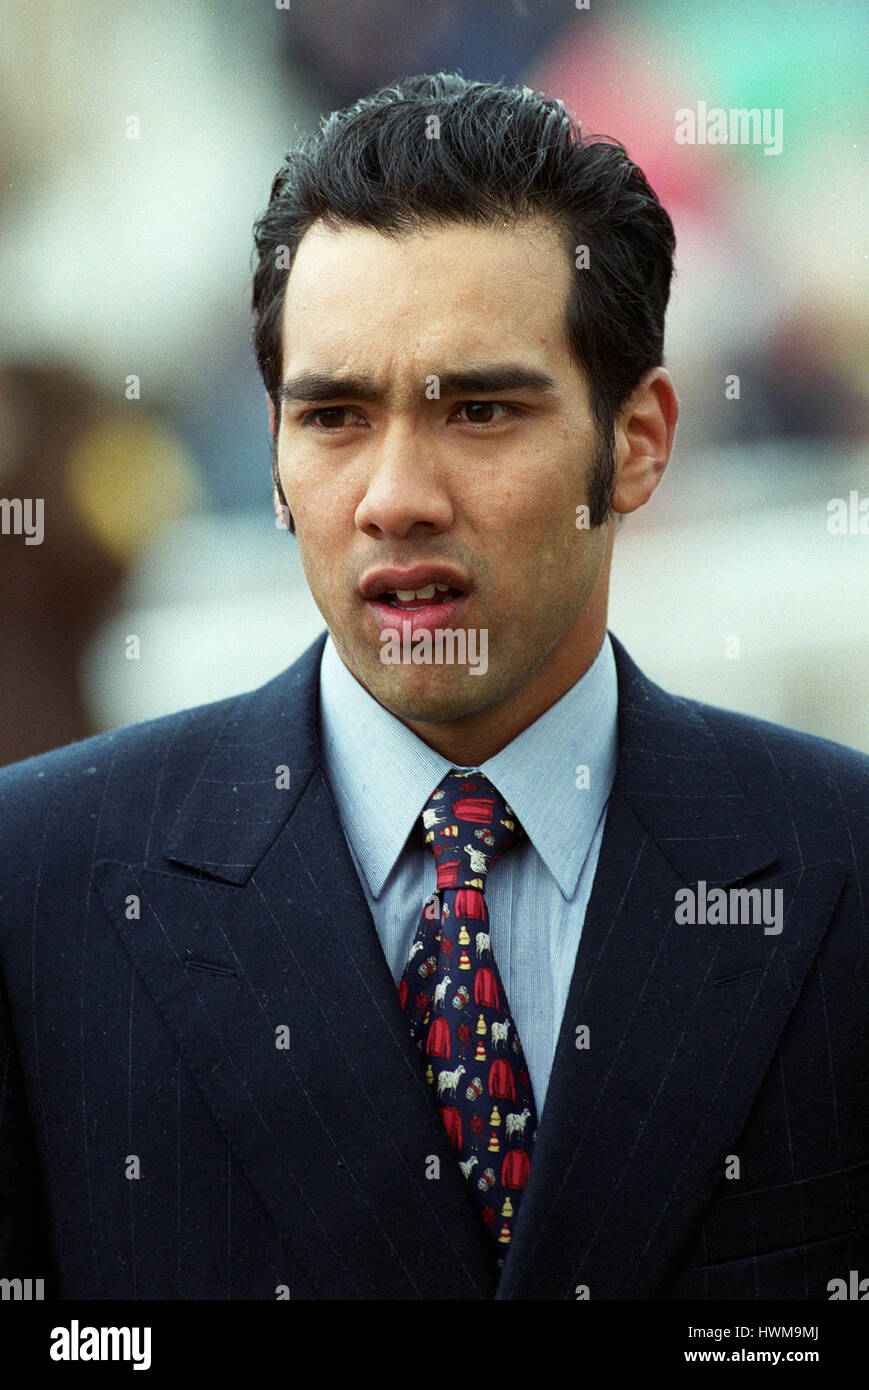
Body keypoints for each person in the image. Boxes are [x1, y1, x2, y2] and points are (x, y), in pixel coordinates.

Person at [0, 74, 866, 1302]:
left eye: (477, 409)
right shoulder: (37, 886)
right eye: (336, 415)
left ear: (635, 442)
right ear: (276, 455)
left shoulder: (837, 867)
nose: (393, 494)